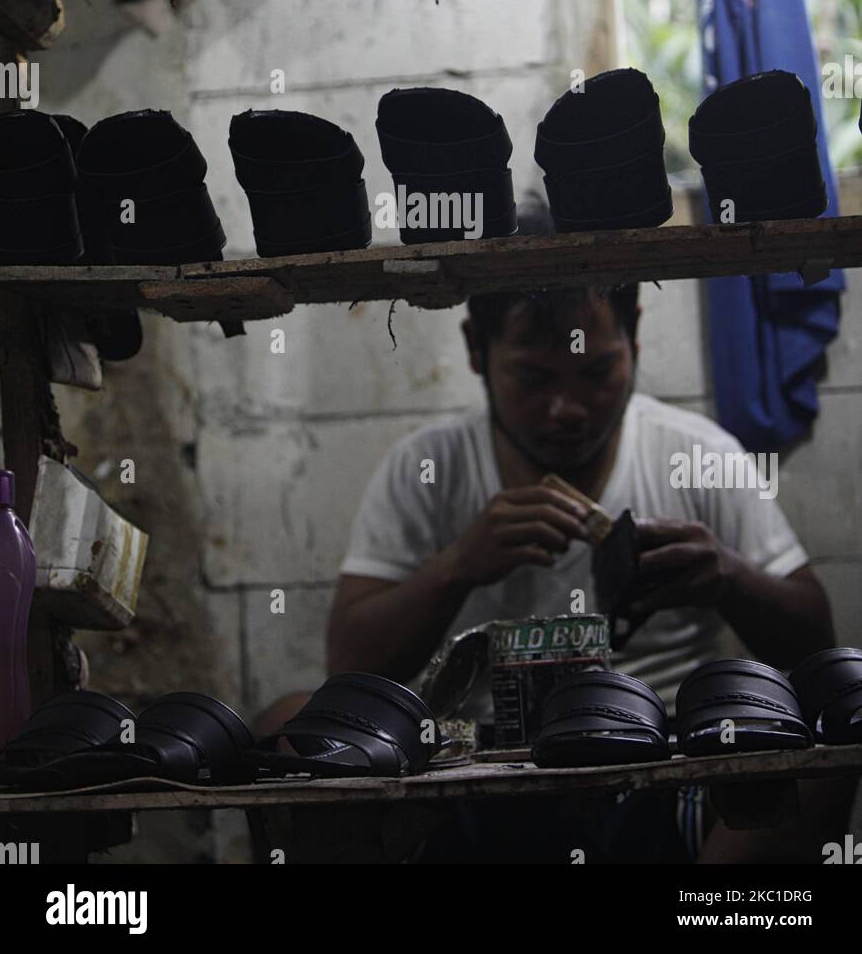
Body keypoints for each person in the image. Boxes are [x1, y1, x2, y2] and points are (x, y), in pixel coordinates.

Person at [326, 201, 845, 862]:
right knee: (290, 723)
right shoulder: (427, 467)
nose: (567, 409)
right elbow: (345, 670)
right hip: (473, 769)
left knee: (827, 753)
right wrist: (456, 566)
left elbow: (817, 641)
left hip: (665, 758)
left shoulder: (695, 452)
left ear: (635, 338)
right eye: (534, 378)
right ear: (476, 352)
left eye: (597, 372)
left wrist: (728, 577)